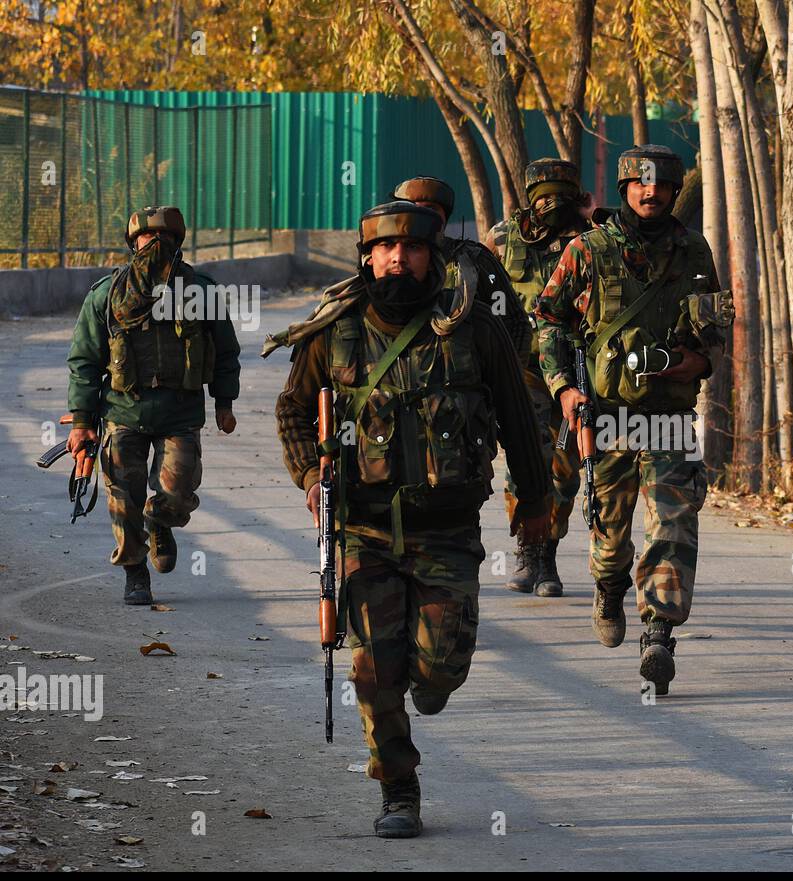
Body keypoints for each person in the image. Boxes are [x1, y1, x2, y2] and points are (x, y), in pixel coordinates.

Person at [272, 200, 549, 838]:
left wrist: (534, 503)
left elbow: (517, 418)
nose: (398, 259)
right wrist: (312, 477)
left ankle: (436, 672)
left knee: (438, 669)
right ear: (367, 257)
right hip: (363, 528)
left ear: (431, 257)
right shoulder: (331, 331)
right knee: (373, 669)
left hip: (445, 530)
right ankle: (398, 787)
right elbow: (292, 412)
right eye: (386, 248)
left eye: (412, 248)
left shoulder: (474, 330)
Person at [534, 144, 731, 694]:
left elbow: (713, 331)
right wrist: (564, 389)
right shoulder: (587, 251)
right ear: (625, 191)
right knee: (610, 537)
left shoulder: (694, 252)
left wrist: (695, 360)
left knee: (672, 523)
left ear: (672, 193)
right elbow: (548, 324)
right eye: (640, 185)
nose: (651, 194)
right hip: (606, 417)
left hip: (668, 416)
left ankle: (659, 635)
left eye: (661, 186)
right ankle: (607, 586)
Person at [66, 206, 240, 605]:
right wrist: (81, 421)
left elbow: (226, 352)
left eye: (163, 238)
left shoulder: (202, 292)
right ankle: (134, 572)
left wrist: (224, 403)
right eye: (147, 238)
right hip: (123, 411)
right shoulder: (107, 295)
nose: (155, 245)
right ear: (133, 244)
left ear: (177, 243)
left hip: (180, 412)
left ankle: (160, 521)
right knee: (121, 499)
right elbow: (85, 361)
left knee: (177, 492)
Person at [490, 158, 603, 597]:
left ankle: (549, 551)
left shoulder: (591, 242)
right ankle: (527, 549)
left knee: (565, 468)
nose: (552, 205)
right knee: (525, 459)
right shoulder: (502, 240)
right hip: (522, 372)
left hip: (574, 372)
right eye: (544, 196)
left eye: (561, 194)